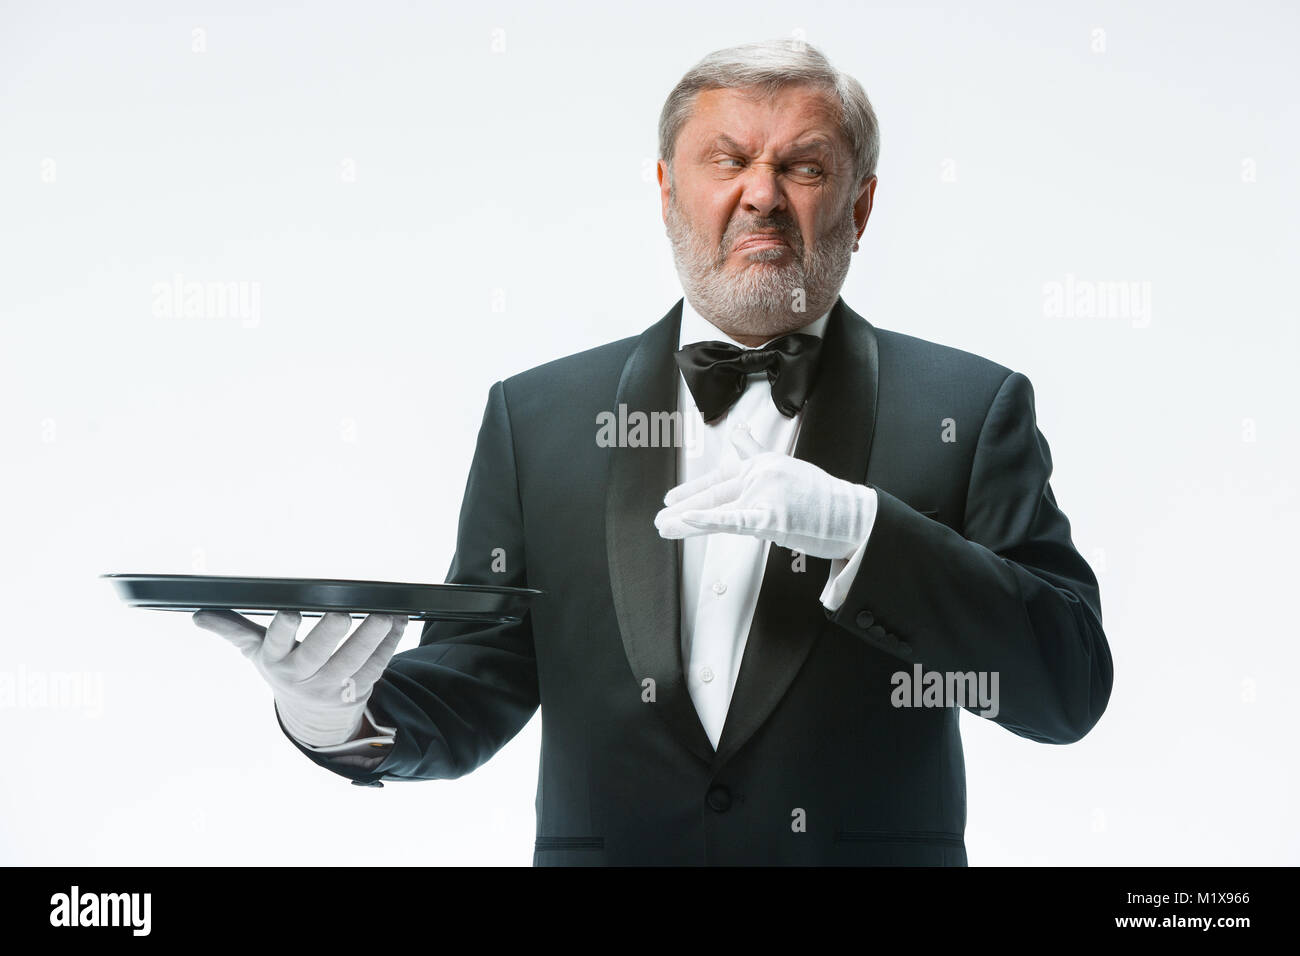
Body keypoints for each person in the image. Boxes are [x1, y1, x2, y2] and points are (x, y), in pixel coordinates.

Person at [194, 37, 1112, 866]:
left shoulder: (969, 407)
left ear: (860, 204)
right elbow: (478, 683)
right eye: (728, 161)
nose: (762, 192)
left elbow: (1065, 687)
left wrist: (867, 532)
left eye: (803, 166)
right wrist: (339, 718)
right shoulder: (536, 417)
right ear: (668, 190)